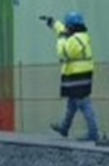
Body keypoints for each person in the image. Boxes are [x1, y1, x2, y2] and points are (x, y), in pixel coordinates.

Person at [42, 11, 98, 141]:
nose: (65, 28)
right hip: (79, 77)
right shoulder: (80, 36)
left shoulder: (76, 40)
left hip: (78, 78)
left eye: (67, 26)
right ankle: (64, 128)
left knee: (84, 105)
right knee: (72, 104)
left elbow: (63, 52)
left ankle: (94, 133)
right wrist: (53, 23)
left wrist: (61, 37)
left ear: (71, 27)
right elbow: (63, 30)